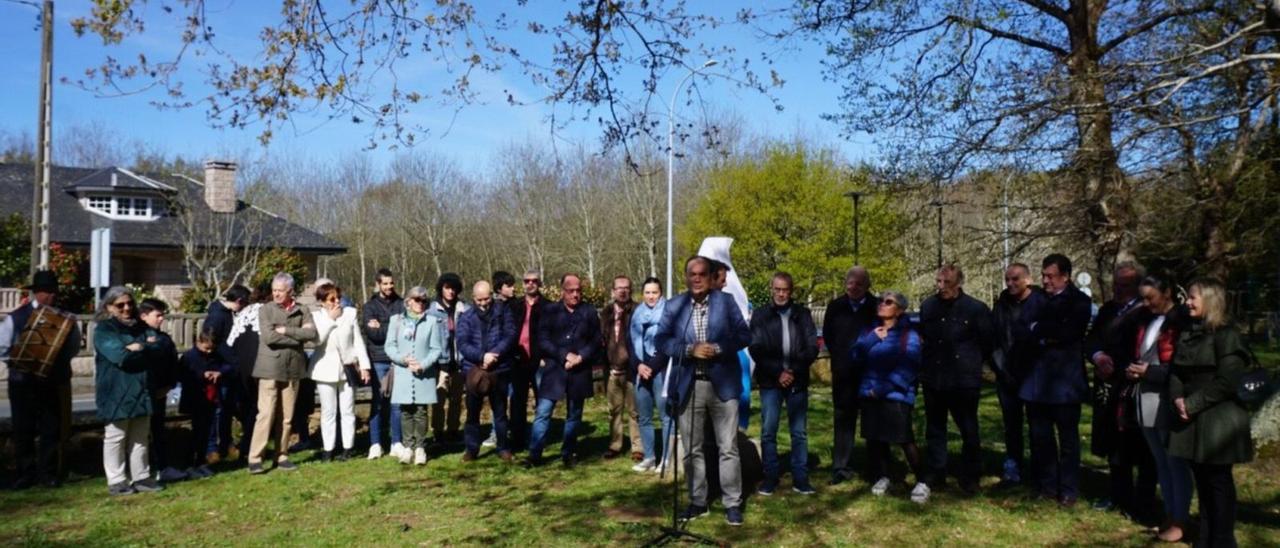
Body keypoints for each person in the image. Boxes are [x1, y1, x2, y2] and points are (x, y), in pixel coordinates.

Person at [656, 256, 751, 526]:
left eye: (702, 274)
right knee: (692, 448)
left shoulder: (726, 302)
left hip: (723, 384)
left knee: (728, 447)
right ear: (686, 277)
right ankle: (698, 501)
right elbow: (661, 340)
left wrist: (718, 348)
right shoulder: (675, 306)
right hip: (689, 384)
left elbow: (745, 335)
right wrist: (689, 349)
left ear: (710, 278)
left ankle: (732, 502)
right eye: (691, 274)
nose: (696, 279)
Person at [1169, 279, 1254, 548]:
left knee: (1218, 483)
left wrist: (1191, 404)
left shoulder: (1227, 335)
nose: (1187, 302)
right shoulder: (1188, 331)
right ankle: (1205, 538)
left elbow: (1227, 381)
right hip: (1191, 417)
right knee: (1203, 482)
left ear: (1210, 300)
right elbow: (1176, 372)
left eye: (1193, 297)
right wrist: (1178, 399)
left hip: (1219, 419)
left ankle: (1222, 540)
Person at [1017, 254, 1093, 506]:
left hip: (1064, 383)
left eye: (1051, 276)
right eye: (1044, 275)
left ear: (1065, 277)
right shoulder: (1035, 300)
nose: (1045, 280)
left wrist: (1040, 331)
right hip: (1036, 382)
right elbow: (1022, 330)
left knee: (1068, 440)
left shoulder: (1079, 302)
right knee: (1041, 438)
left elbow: (1069, 333)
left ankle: (1069, 488)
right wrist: (1043, 332)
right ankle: (1047, 485)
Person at [1086, 263, 1156, 518]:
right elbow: (1092, 339)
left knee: (1142, 447)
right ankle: (1118, 495)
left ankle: (1144, 501)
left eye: (1123, 286)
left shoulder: (1145, 313)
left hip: (1135, 385)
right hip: (1109, 386)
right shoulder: (1107, 310)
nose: (1117, 290)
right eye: (1115, 284)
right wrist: (1098, 355)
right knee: (1114, 445)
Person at [918, 264, 993, 496]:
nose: (941, 287)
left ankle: (970, 474)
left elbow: (987, 342)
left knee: (968, 429)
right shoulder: (928, 306)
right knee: (935, 429)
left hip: (963, 379)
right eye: (938, 282)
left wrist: (981, 368)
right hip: (935, 377)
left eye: (946, 283)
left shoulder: (976, 309)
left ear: (958, 283)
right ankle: (937, 470)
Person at [2, 270, 81, 489]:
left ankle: (48, 473)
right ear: (36, 293)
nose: (51, 296)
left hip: (51, 381)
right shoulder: (16, 317)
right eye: (46, 292)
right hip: (22, 382)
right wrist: (22, 361)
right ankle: (25, 473)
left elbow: (73, 347)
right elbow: (3, 346)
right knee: (23, 428)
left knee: (50, 428)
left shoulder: (66, 318)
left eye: (53, 291)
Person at [1127, 274, 1191, 543]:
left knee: (1175, 462)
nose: (1145, 303)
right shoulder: (1146, 319)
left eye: (1150, 297)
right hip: (1146, 397)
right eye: (1142, 297)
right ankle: (1169, 514)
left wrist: (1149, 372)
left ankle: (1180, 519)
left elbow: (1182, 367)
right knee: (1160, 462)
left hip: (1168, 398)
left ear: (1166, 292)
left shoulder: (1180, 321)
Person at [749, 272, 819, 496]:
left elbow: (812, 347)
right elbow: (756, 348)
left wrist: (793, 371)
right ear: (772, 289)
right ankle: (770, 477)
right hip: (771, 381)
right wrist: (778, 372)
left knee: (799, 432)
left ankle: (801, 478)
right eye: (777, 289)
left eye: (785, 290)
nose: (781, 294)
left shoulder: (803, 315)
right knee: (769, 431)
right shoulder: (760, 316)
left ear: (791, 290)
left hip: (797, 380)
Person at [854, 291, 925, 502]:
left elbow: (910, 365)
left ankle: (922, 480)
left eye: (888, 302)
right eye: (881, 301)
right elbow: (855, 356)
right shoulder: (870, 330)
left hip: (896, 395)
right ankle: (883, 476)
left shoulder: (908, 334)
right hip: (869, 392)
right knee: (876, 438)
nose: (882, 305)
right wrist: (871, 339)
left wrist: (884, 389)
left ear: (899, 310)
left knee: (903, 438)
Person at [94, 286, 163, 495]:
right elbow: (120, 357)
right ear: (109, 307)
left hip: (142, 389)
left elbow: (159, 348)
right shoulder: (104, 330)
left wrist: (139, 347)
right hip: (116, 390)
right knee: (116, 437)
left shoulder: (141, 327)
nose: (126, 308)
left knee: (140, 437)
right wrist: (145, 347)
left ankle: (141, 477)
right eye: (120, 305)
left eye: (130, 303)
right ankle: (116, 480)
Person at [526, 273, 600, 468]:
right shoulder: (550, 311)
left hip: (579, 371)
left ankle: (569, 452)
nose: (575, 295)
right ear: (563, 292)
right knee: (543, 412)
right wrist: (564, 355)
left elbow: (595, 340)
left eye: (578, 291)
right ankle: (535, 454)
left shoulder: (589, 312)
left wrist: (580, 357)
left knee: (574, 414)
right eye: (571, 291)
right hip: (554, 370)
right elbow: (543, 340)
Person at [246, 272, 318, 474]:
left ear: (290, 291)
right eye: (274, 290)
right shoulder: (266, 310)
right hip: (269, 368)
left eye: (281, 291)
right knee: (266, 414)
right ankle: (255, 458)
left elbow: (312, 335)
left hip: (293, 368)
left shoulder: (302, 309)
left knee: (287, 417)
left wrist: (286, 331)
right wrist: (298, 337)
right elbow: (269, 337)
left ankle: (282, 455)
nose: (276, 294)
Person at [823, 266, 879, 485]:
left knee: (872, 421)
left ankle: (875, 469)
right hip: (844, 373)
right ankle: (841, 466)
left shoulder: (877, 307)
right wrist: (841, 359)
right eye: (850, 282)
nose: (853, 287)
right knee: (843, 420)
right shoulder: (835, 307)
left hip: (870, 374)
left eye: (858, 284)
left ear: (867, 286)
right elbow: (828, 335)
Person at [310, 283, 372, 462]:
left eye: (338, 297)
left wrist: (364, 366)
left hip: (348, 368)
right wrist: (330, 319)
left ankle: (348, 448)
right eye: (331, 299)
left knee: (347, 410)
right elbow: (317, 341)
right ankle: (328, 449)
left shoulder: (350, 314)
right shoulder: (316, 317)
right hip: (325, 369)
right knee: (328, 412)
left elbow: (358, 342)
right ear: (322, 302)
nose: (337, 302)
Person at [990, 263, 1039, 486]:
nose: (1010, 283)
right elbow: (994, 340)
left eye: (1015, 279)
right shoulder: (1001, 306)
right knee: (1012, 425)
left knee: (1038, 425)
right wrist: (1002, 370)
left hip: (1034, 375)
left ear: (1028, 280)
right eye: (1007, 279)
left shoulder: (1040, 303)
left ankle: (1041, 469)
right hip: (1007, 375)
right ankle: (1013, 465)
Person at [386, 286, 446, 466]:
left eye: (424, 301)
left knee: (420, 411)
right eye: (417, 300)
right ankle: (407, 447)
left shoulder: (432, 322)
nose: (421, 304)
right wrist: (402, 359)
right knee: (405, 411)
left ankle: (420, 447)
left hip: (423, 373)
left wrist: (423, 364)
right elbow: (390, 346)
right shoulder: (396, 321)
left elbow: (436, 349)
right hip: (403, 372)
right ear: (409, 301)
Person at [458, 280, 516, 462]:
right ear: (473, 298)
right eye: (479, 300)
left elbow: (510, 334)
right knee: (472, 413)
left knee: (500, 412)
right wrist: (482, 356)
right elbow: (462, 343)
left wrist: (495, 354)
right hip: (474, 369)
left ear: (491, 295)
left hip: (499, 368)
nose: (483, 303)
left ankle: (503, 447)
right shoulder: (466, 317)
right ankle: (472, 449)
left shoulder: (503, 311)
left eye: (486, 298)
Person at [361, 268, 407, 460]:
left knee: (397, 403)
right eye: (385, 283)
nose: (389, 286)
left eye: (391, 283)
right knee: (379, 403)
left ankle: (397, 442)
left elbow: (405, 330)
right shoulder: (369, 306)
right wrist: (392, 326)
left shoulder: (401, 303)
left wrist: (384, 325)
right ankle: (376, 443)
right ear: (378, 284)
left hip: (397, 359)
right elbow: (374, 335)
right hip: (378, 359)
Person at [139, 298, 185, 483]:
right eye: (157, 315)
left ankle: (162, 467)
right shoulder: (139, 337)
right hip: (143, 392)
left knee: (158, 431)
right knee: (140, 434)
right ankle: (142, 470)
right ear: (144, 316)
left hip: (161, 391)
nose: (161, 319)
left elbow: (172, 363)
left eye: (162, 315)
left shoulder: (164, 339)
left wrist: (168, 386)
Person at [204, 285, 249, 463]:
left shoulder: (230, 315)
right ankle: (212, 449)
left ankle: (226, 444)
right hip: (220, 370)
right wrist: (219, 368)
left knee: (228, 410)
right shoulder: (217, 316)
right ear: (238, 301)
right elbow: (210, 343)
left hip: (230, 370)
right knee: (219, 411)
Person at [226, 282, 269, 461]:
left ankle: (246, 445)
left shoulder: (244, 313)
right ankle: (252, 447)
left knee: (249, 406)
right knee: (259, 408)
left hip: (240, 364)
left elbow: (231, 341)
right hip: (259, 364)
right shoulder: (268, 312)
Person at [601, 275, 642, 461]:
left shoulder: (638, 310)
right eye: (619, 288)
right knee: (614, 411)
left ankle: (637, 447)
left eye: (626, 287)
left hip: (632, 371)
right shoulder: (606, 312)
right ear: (613, 291)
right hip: (612, 371)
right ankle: (615, 444)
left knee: (635, 411)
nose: (623, 291)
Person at [631, 277, 668, 473]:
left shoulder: (668, 313)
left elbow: (668, 345)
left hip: (660, 370)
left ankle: (667, 458)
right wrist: (639, 366)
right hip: (641, 371)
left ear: (660, 293)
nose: (651, 296)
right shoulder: (637, 314)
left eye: (654, 292)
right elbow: (632, 343)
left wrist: (651, 367)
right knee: (644, 417)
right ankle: (649, 457)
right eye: (647, 292)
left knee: (665, 416)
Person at [508, 269, 547, 452]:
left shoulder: (548, 306)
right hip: (518, 360)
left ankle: (540, 439)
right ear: (522, 284)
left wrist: (546, 356)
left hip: (540, 361)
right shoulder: (513, 306)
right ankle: (517, 441)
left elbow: (552, 334)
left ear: (539, 283)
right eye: (526, 281)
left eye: (534, 280)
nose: (530, 284)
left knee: (543, 402)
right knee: (517, 401)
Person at [179, 329, 222, 479]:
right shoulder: (189, 357)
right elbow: (183, 375)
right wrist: (201, 375)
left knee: (206, 432)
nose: (209, 351)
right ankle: (190, 464)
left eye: (212, 349)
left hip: (210, 399)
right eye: (206, 348)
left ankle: (201, 461)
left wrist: (219, 373)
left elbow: (226, 366)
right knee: (196, 433)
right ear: (198, 342)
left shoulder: (214, 356)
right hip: (196, 399)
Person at [481, 270, 518, 449]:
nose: (513, 288)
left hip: (512, 359)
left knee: (510, 398)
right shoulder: (493, 307)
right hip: (496, 361)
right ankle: (497, 433)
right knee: (499, 400)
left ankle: (509, 432)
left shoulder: (515, 305)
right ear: (498, 288)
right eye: (509, 285)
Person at [430, 273, 468, 445]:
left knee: (456, 400)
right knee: (438, 400)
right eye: (447, 288)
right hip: (440, 363)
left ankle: (453, 430)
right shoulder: (432, 310)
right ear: (441, 288)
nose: (451, 292)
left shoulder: (463, 308)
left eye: (454, 288)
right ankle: (438, 432)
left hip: (459, 362)